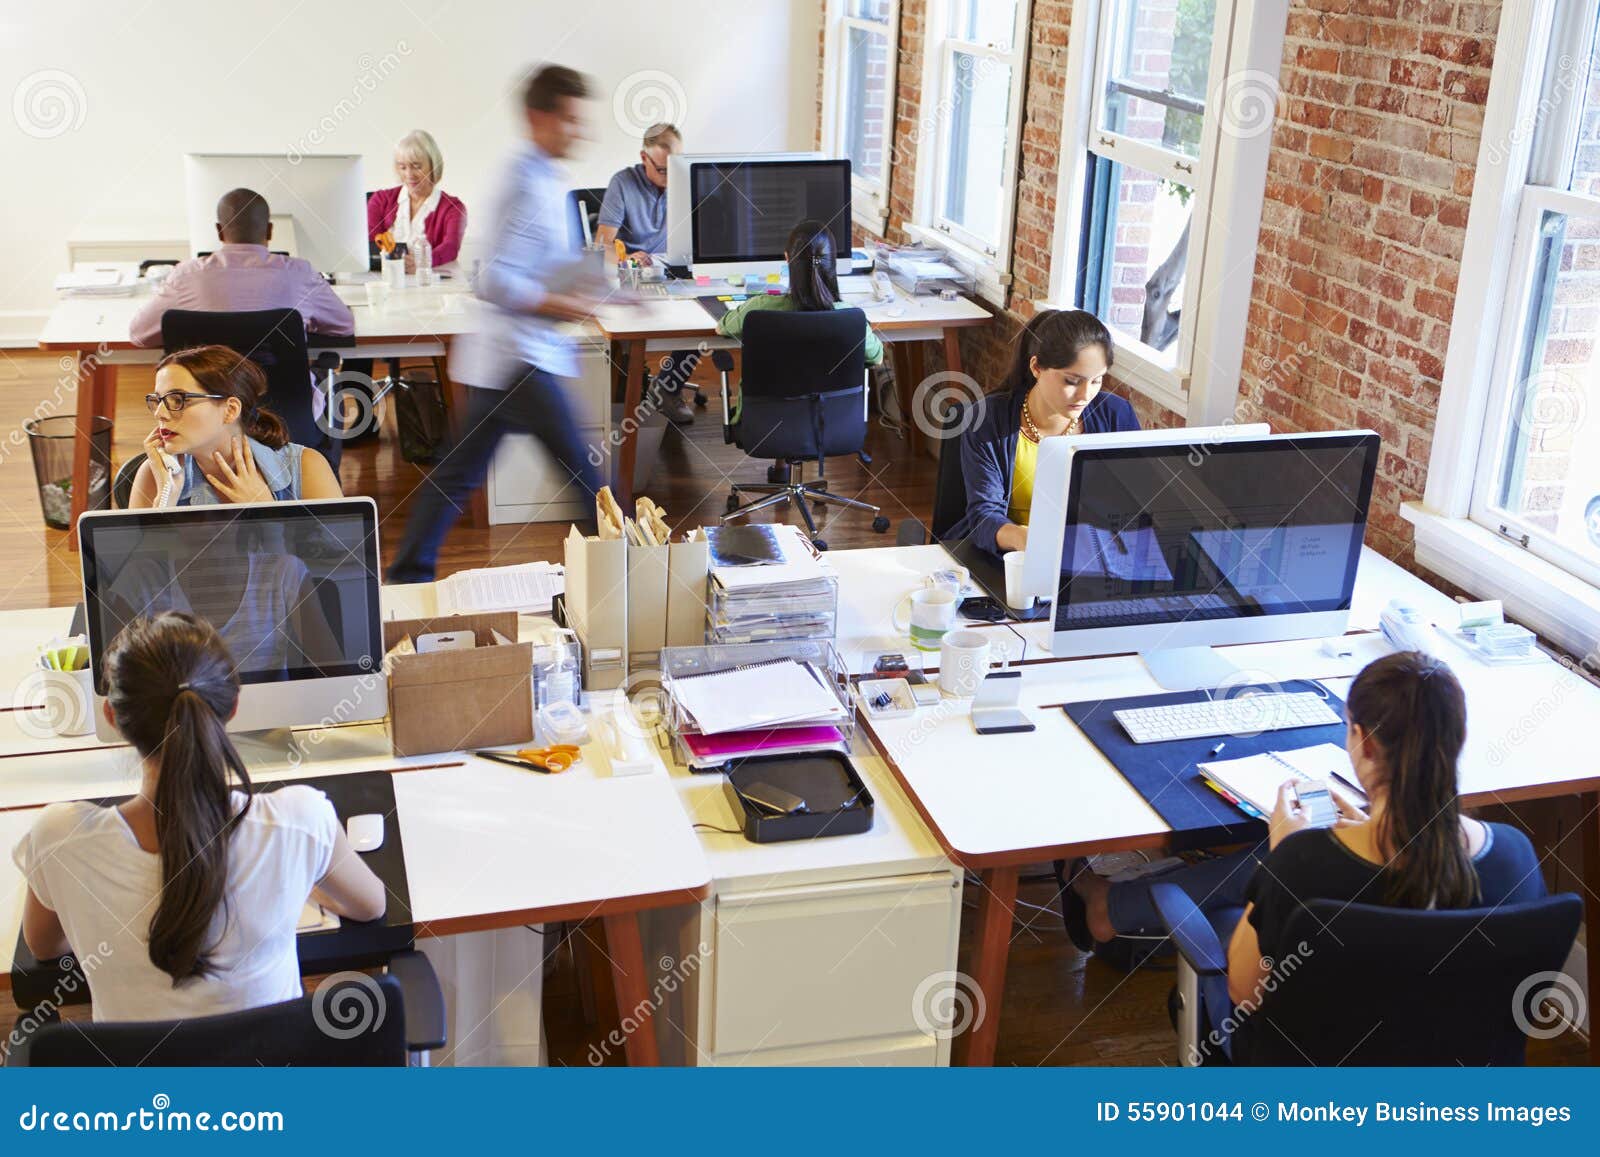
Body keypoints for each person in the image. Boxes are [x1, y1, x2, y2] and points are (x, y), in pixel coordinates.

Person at [1065, 653, 1546, 1009]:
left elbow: (1246, 992)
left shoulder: (1304, 864)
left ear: (1362, 741)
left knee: (1236, 913)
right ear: (1456, 740)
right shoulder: (1516, 855)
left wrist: (1280, 859)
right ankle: (1111, 907)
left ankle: (1112, 907)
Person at [12, 613, 385, 1022]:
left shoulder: (59, 837)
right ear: (233, 706)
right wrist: (302, 881)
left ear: (113, 718)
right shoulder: (300, 821)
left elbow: (44, 946)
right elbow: (371, 906)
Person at [385, 64, 603, 584]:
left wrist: (606, 290)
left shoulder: (550, 178)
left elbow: (545, 263)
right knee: (587, 477)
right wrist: (556, 304)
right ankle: (626, 576)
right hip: (517, 356)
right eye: (570, 120)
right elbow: (490, 277)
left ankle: (407, 574)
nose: (580, 132)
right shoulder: (520, 181)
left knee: (458, 475)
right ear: (538, 116)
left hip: (516, 357)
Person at [944, 309, 1139, 556]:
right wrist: (1024, 538)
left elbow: (1134, 501)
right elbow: (983, 517)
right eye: (1072, 381)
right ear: (1036, 367)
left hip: (1091, 558)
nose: (1085, 395)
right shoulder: (988, 420)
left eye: (1097, 380)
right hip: (1009, 559)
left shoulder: (1116, 414)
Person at [130, 188, 354, 348]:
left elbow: (139, 335)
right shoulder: (300, 274)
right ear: (269, 231)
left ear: (219, 231)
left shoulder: (186, 275)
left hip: (207, 407)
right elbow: (344, 325)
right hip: (284, 409)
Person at [128, 344, 343, 508]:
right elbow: (137, 566)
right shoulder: (154, 475)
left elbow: (342, 562)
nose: (160, 413)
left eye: (178, 400)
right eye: (157, 400)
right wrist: (165, 504)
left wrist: (268, 514)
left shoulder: (306, 468)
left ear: (230, 410)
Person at [596, 123, 698, 425]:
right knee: (628, 328)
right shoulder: (623, 183)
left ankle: (667, 389)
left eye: (676, 168)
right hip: (633, 276)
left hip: (673, 273)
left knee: (702, 319)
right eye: (663, 170)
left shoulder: (686, 182)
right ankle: (630, 392)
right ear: (644, 157)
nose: (670, 178)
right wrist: (627, 256)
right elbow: (603, 243)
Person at [715, 217, 885, 389]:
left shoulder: (758, 309)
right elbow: (877, 357)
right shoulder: (852, 319)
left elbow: (721, 327)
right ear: (833, 261)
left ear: (787, 258)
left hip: (765, 415)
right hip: (831, 415)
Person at [367, 129, 467, 270]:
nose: (409, 174)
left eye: (416, 166)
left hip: (426, 281)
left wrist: (423, 262)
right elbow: (368, 244)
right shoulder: (380, 200)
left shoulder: (453, 208)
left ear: (433, 166)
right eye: (402, 167)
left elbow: (450, 247)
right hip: (386, 278)